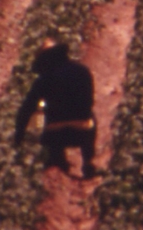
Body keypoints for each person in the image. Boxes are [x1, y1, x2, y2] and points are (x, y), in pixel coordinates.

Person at [14, 38, 97, 177]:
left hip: (56, 134)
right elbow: (89, 101)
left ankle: (57, 158)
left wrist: (19, 135)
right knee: (91, 117)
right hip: (82, 131)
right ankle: (88, 160)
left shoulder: (44, 79)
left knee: (43, 119)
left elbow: (28, 108)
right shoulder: (82, 71)